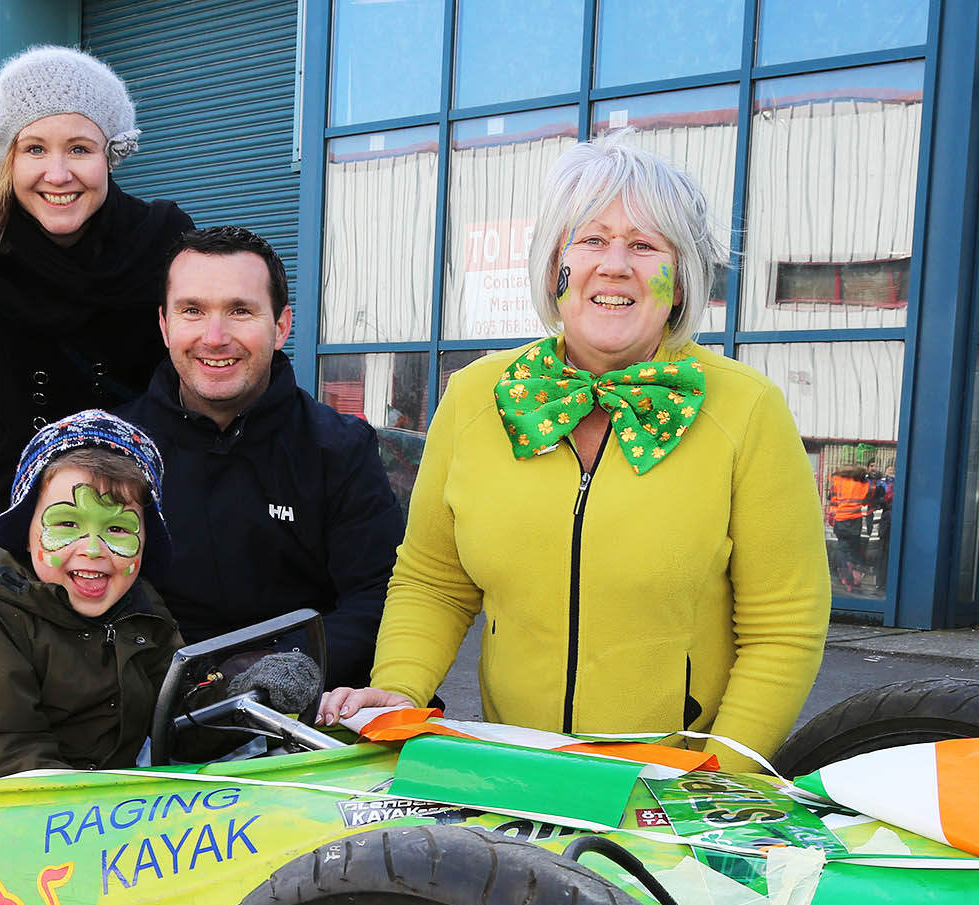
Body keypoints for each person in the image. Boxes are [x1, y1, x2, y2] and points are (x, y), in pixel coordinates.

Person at [319, 131, 830, 772]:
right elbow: (435, 580)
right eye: (590, 239)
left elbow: (784, 626)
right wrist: (399, 685)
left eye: (645, 245)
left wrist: (723, 773)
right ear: (555, 263)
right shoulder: (477, 395)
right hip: (515, 771)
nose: (614, 265)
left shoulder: (747, 409)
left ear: (681, 280)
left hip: (671, 786)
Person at [0, 46, 194, 532]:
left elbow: (215, 358)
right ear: (9, 157)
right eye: (36, 148)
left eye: (80, 149)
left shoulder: (161, 238)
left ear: (109, 154)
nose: (58, 174)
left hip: (151, 500)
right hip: (24, 503)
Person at [119, 226, 404, 689]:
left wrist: (281, 667)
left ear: (281, 327)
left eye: (240, 311)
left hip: (311, 711)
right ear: (165, 325)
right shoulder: (111, 451)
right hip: (149, 710)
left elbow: (380, 598)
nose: (215, 337)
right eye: (192, 310)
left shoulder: (340, 448)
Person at [0, 411, 182, 781]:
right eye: (67, 523)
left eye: (118, 528)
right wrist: (98, 810)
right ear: (25, 531)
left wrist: (242, 695)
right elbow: (5, 757)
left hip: (94, 813)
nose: (92, 550)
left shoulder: (141, 609)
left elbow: (180, 713)